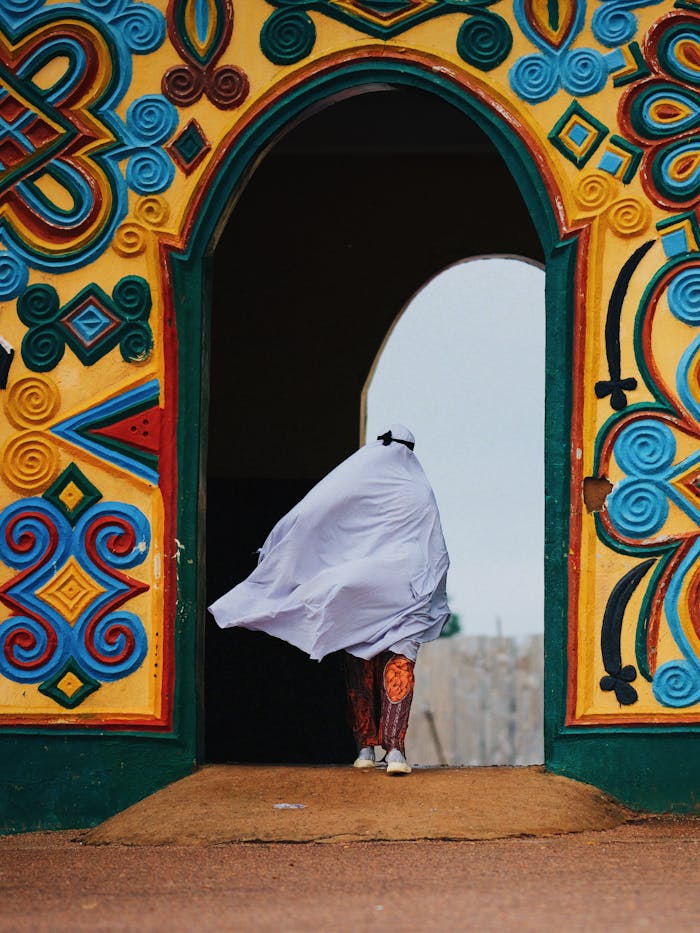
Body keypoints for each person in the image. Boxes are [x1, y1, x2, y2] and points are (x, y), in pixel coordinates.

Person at [208, 424, 450, 775]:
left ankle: (365, 749)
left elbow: (321, 511)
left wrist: (284, 546)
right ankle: (395, 752)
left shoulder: (362, 477)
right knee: (400, 662)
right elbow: (435, 547)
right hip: (408, 590)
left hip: (364, 589)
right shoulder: (420, 489)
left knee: (358, 663)